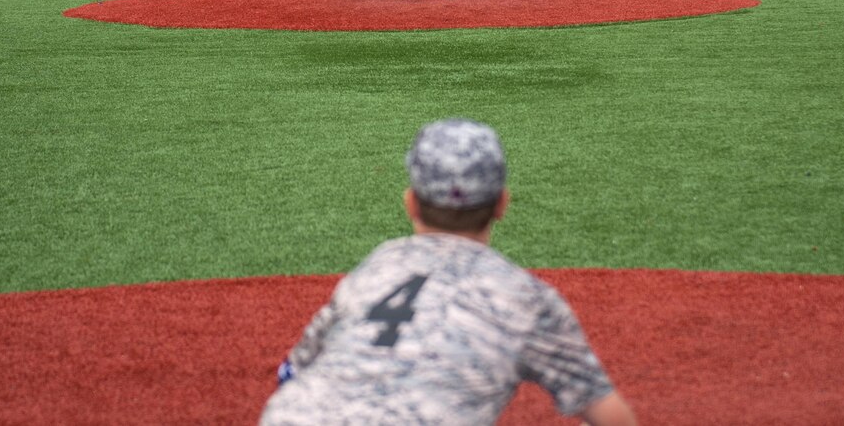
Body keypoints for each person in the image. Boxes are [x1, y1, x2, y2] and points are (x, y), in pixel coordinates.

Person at [260, 119, 637, 426]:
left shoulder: (378, 265)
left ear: (410, 203)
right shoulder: (524, 298)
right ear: (502, 203)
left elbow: (292, 372)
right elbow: (610, 417)